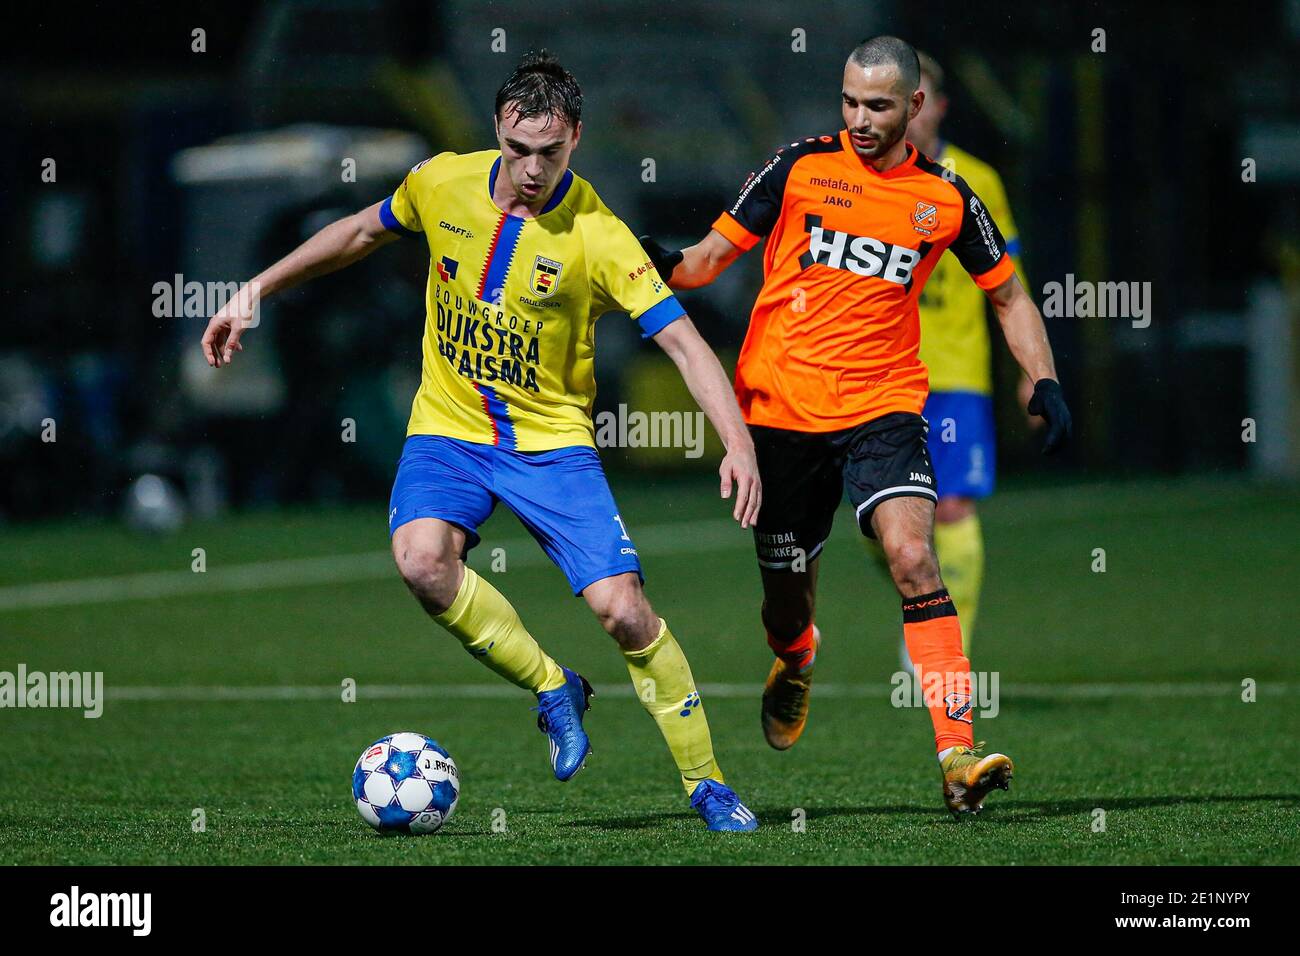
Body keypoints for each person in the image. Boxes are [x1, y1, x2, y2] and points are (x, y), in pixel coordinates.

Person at [201, 51, 762, 832]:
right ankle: (551, 687)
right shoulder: (442, 181)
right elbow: (362, 231)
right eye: (519, 149)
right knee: (423, 561)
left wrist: (736, 441)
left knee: (624, 612)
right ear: (499, 128)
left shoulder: (601, 235)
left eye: (551, 153)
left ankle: (705, 783)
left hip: (551, 442)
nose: (532, 170)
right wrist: (255, 289)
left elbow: (686, 346)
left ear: (577, 139)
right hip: (449, 427)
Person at [639, 36, 1071, 817]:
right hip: (777, 414)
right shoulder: (798, 167)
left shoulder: (947, 199)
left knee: (912, 555)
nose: (860, 118)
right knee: (786, 607)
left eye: (878, 105)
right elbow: (705, 260)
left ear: (915, 107)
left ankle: (957, 755)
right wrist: (651, 261)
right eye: (849, 102)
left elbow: (1009, 295)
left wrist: (1042, 378)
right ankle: (797, 659)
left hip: (884, 409)